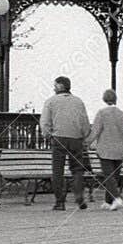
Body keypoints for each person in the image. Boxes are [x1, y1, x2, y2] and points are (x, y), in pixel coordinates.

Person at [41, 75, 91, 210]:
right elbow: (85, 122)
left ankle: (60, 202)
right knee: (77, 169)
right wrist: (84, 135)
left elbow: (45, 122)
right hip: (76, 139)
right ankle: (79, 194)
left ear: (60, 86)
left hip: (59, 138)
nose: (53, 87)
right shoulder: (78, 102)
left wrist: (48, 134)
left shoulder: (51, 101)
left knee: (58, 170)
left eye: (55, 85)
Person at [90, 88, 123, 210]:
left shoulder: (101, 113)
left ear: (104, 99)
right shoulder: (121, 114)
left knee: (108, 176)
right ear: (115, 99)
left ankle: (116, 198)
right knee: (115, 176)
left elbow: (95, 131)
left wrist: (86, 142)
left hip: (105, 149)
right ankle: (108, 202)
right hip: (119, 149)